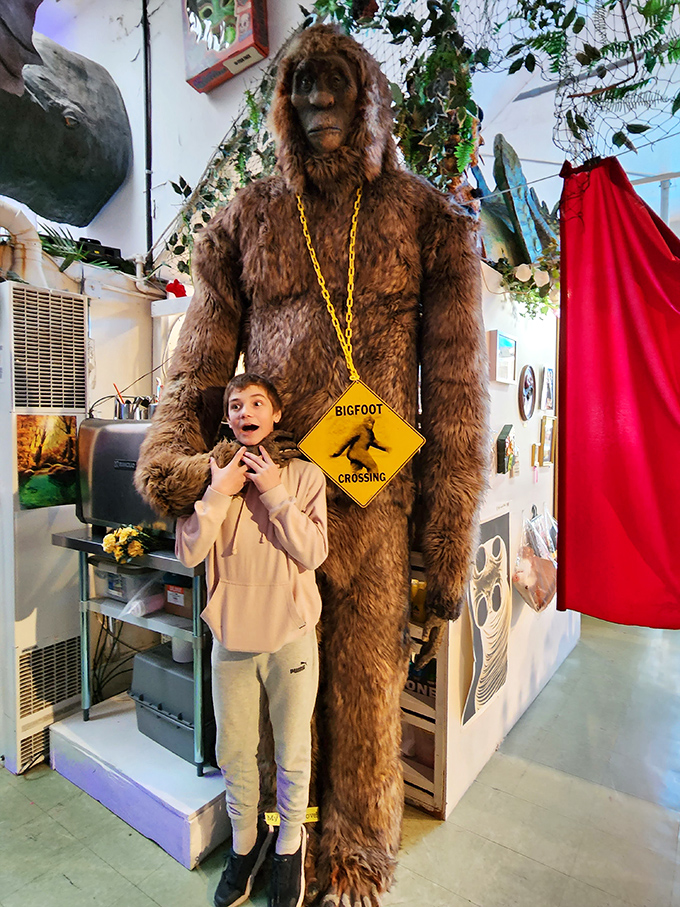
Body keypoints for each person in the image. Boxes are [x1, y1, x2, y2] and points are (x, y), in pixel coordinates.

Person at [174, 373, 328, 907]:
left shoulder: (306, 477)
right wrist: (218, 493)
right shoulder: (212, 476)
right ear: (227, 418)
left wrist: (275, 493)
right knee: (234, 750)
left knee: (292, 751)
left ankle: (290, 844)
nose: (244, 412)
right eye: (235, 405)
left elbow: (313, 554)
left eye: (256, 403)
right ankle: (244, 844)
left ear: (276, 413)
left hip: (291, 638)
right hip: (231, 638)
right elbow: (189, 555)